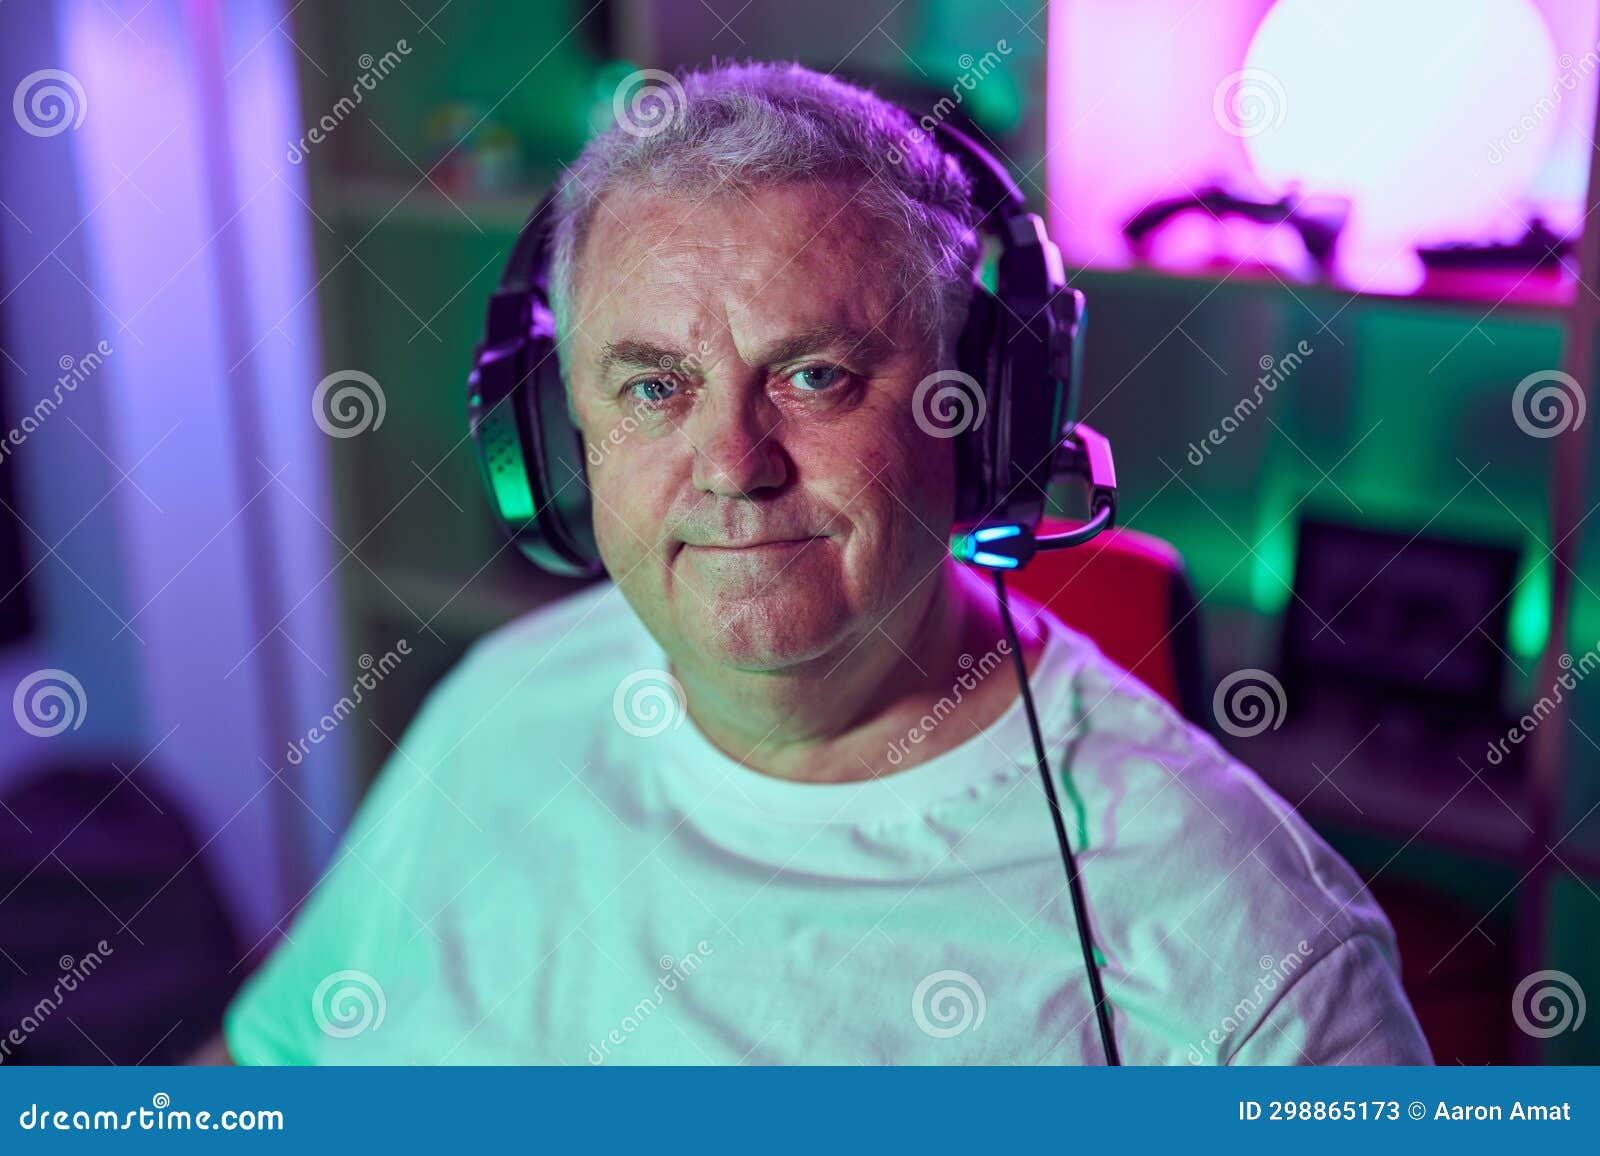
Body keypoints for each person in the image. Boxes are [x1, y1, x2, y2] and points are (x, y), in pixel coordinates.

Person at [224, 61, 1432, 1065]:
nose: (733, 466)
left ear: (987, 414)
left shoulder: (1254, 954)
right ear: (551, 443)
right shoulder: (500, 704)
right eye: (653, 387)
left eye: (815, 377)